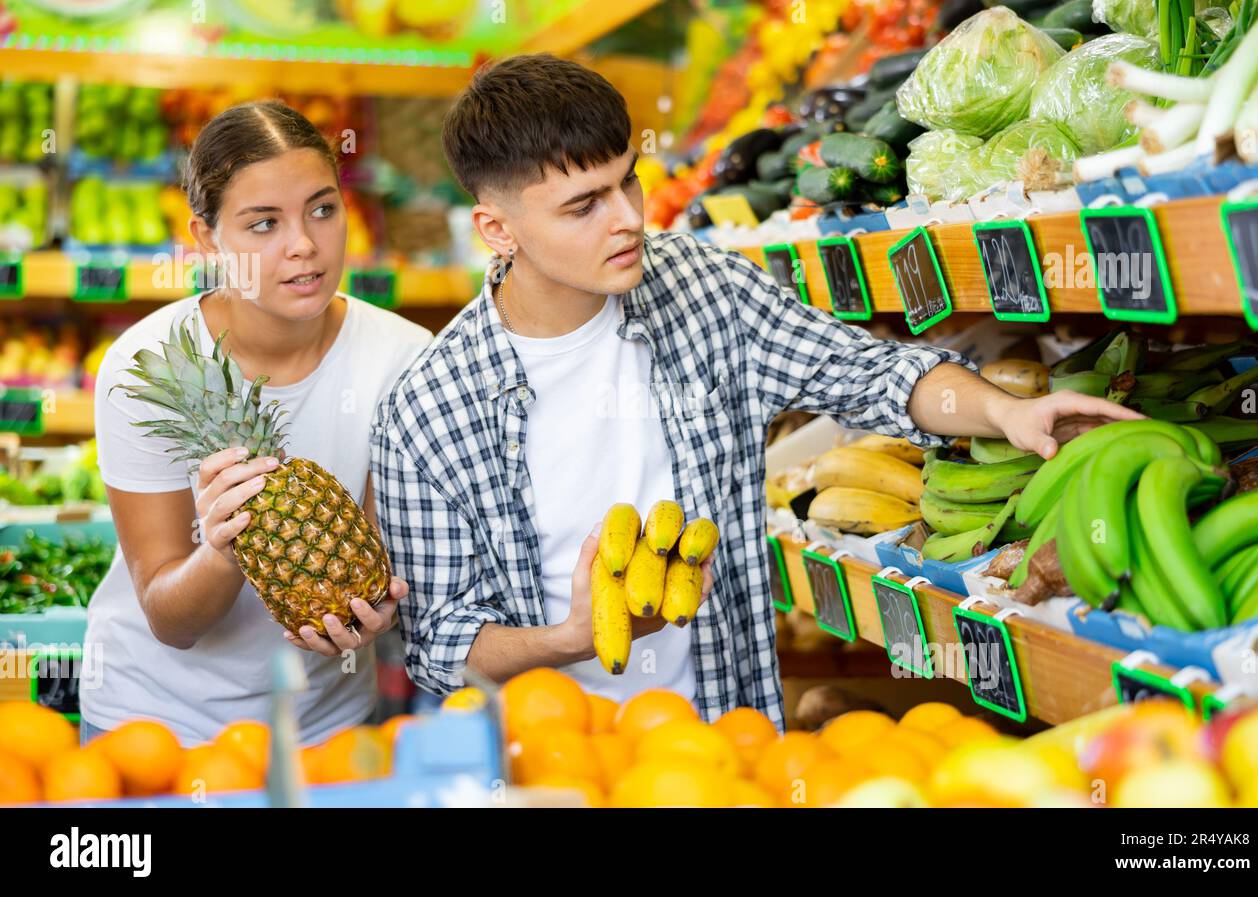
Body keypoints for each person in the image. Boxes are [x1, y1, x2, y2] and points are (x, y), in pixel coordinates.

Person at [370, 55, 1142, 725]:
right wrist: (573, 635)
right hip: (551, 762)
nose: (627, 220)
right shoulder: (429, 408)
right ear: (496, 229)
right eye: (584, 205)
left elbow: (867, 372)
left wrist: (1006, 409)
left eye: (627, 184)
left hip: (726, 744)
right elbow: (440, 643)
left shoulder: (700, 286)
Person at [81, 101, 431, 746]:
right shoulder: (148, 366)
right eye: (263, 223)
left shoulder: (403, 358)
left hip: (325, 726)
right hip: (155, 726)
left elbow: (384, 552)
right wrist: (222, 550)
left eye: (323, 209)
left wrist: (377, 603)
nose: (304, 244)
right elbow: (170, 618)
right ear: (208, 239)